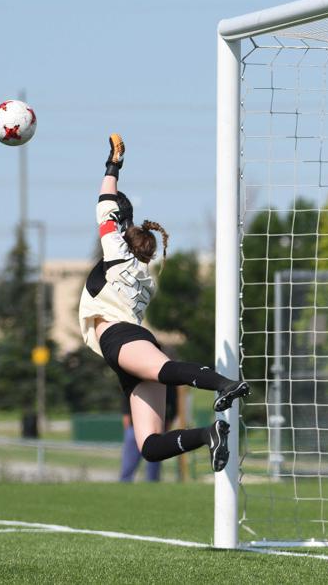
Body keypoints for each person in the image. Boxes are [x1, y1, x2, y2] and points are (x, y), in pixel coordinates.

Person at [79, 133, 248, 473]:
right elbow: (111, 213)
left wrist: (113, 165)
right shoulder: (144, 275)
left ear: (119, 226)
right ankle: (208, 434)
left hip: (119, 339)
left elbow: (104, 205)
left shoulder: (116, 255)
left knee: (165, 370)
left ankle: (225, 384)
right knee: (151, 447)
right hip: (131, 346)